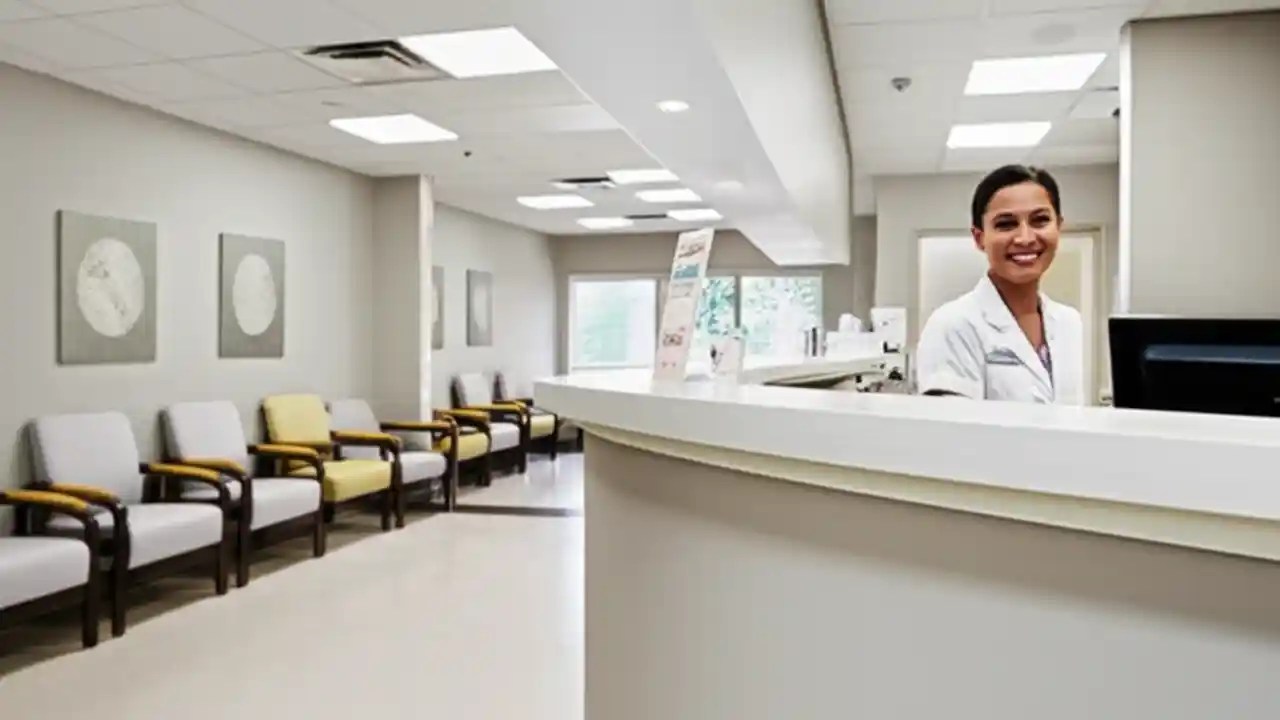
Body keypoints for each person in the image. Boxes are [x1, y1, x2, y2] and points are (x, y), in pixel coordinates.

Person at [914, 165, 1083, 405]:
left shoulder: (1070, 323)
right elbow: (951, 436)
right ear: (979, 238)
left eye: (1040, 220)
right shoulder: (953, 325)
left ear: (1059, 227)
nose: (1025, 238)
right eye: (1006, 224)